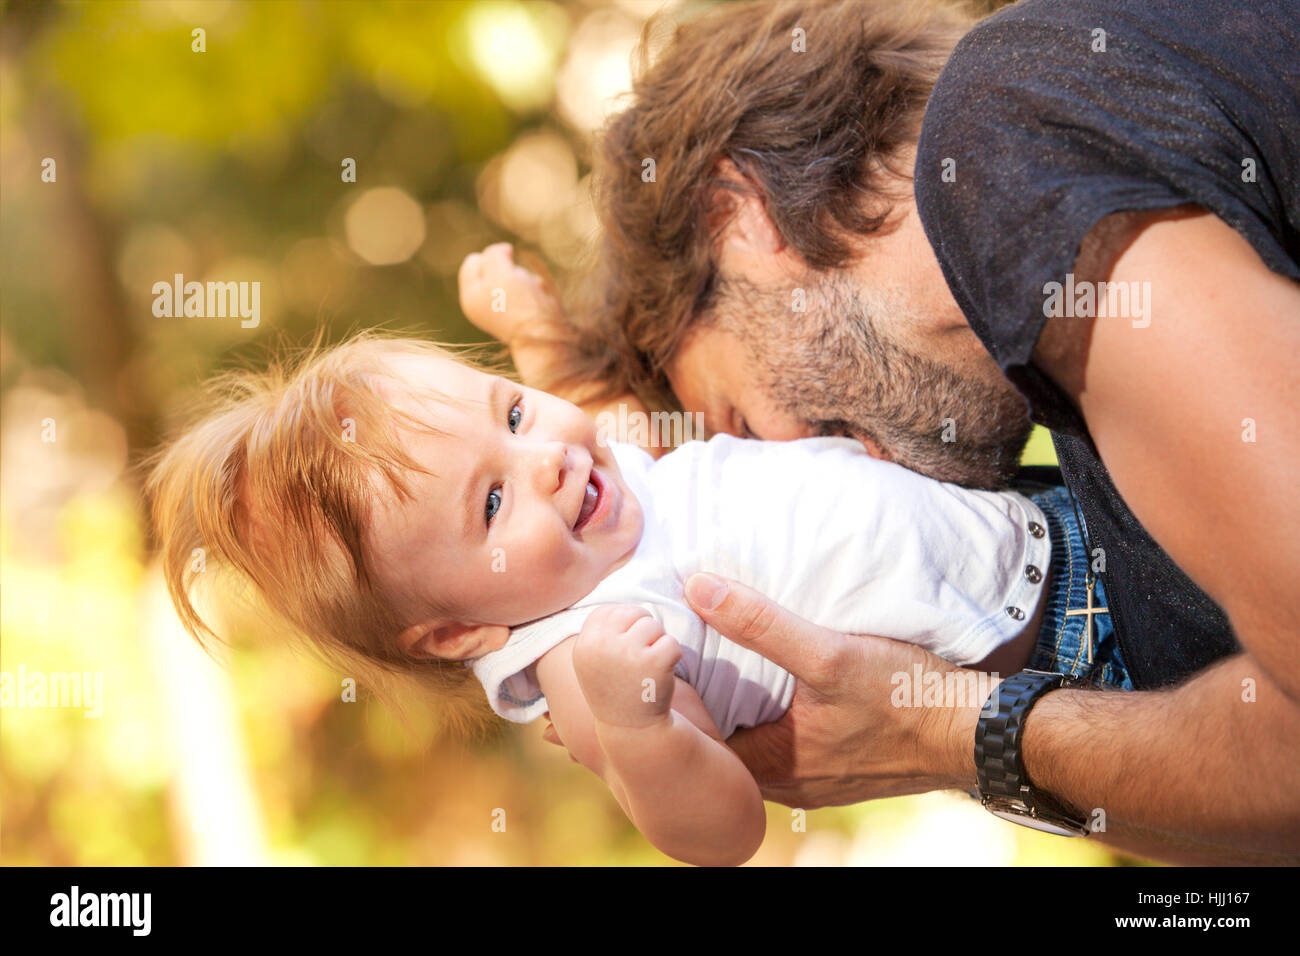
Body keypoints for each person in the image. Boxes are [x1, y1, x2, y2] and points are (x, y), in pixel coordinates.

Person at [499, 0, 1300, 863]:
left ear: (734, 217)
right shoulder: (1087, 443)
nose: (808, 463)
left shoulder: (1002, 127)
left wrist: (940, 733)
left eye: (739, 426)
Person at [147, 313, 1132, 864]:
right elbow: (717, 831)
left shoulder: (603, 497)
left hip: (1046, 517)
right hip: (1069, 656)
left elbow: (608, 420)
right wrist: (638, 724)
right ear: (456, 631)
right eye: (491, 501)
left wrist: (537, 333)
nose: (543, 459)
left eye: (516, 413)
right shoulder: (587, 648)